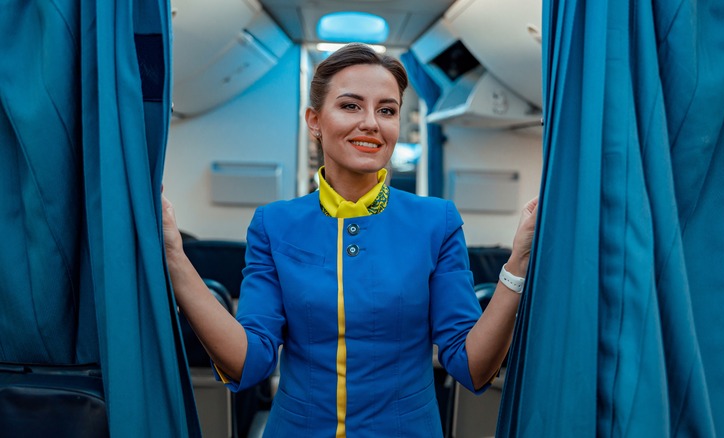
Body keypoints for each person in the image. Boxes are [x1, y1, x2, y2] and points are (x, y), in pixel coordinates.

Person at [162, 43, 538, 437]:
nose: (371, 123)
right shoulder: (275, 224)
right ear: (314, 121)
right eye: (351, 106)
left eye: (387, 110)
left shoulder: (435, 222)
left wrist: (517, 264)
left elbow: (472, 365)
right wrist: (174, 256)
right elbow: (248, 360)